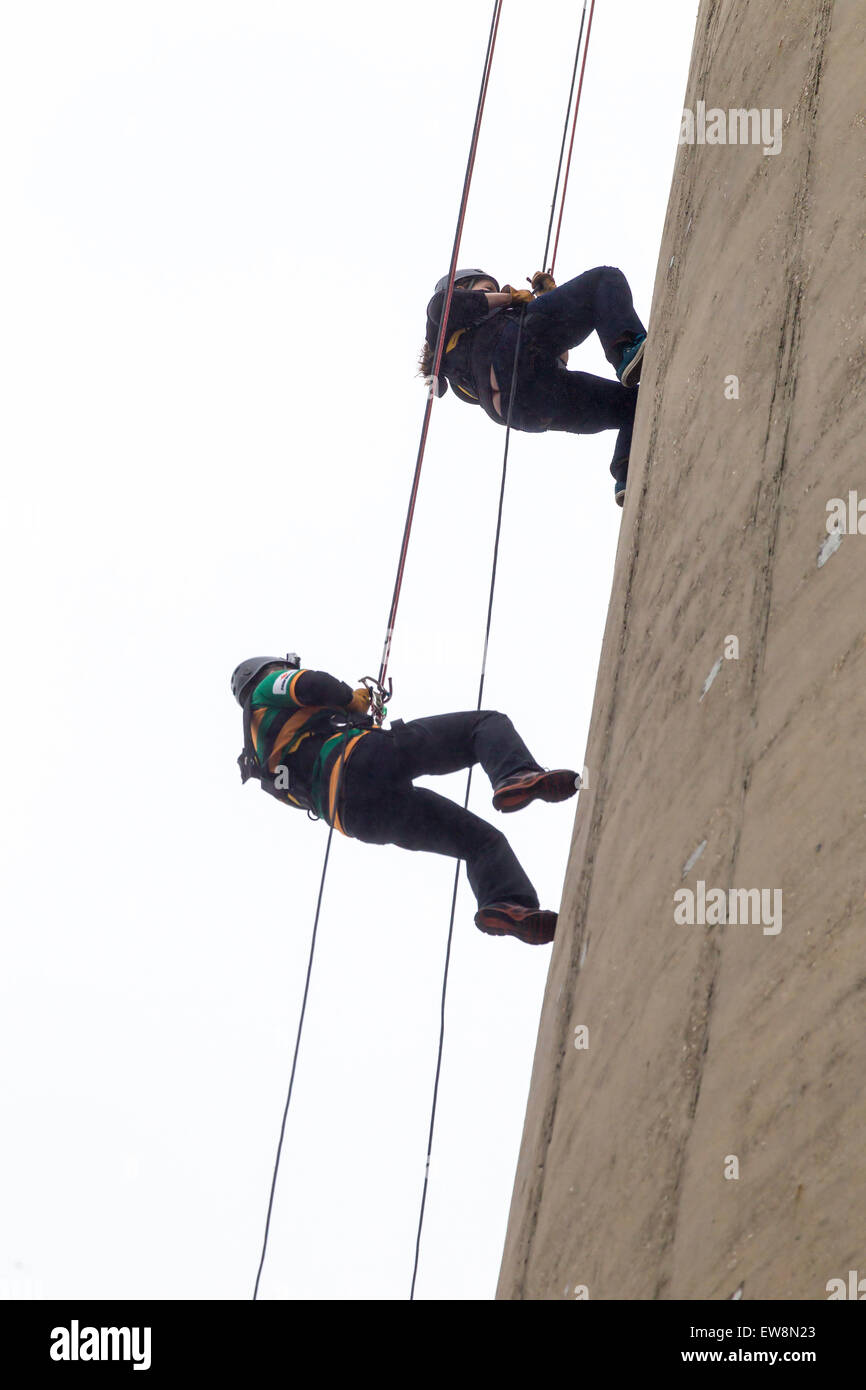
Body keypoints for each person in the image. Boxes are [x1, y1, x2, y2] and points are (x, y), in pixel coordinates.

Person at [232, 654, 579, 945]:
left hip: (360, 820)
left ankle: (506, 903)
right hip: (361, 760)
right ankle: (515, 773)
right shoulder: (264, 689)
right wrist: (351, 701)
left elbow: (315, 759)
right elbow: (312, 684)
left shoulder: (264, 763)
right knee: (484, 725)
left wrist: (355, 719)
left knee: (481, 843)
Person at [419, 265, 647, 506]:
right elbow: (445, 306)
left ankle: (626, 472)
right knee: (604, 278)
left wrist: (546, 296)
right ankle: (625, 346)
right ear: (459, 288)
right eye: (486, 289)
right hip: (508, 351)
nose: (492, 294)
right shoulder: (443, 316)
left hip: (522, 410)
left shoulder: (458, 374)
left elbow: (558, 358)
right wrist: (511, 298)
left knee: (633, 406)